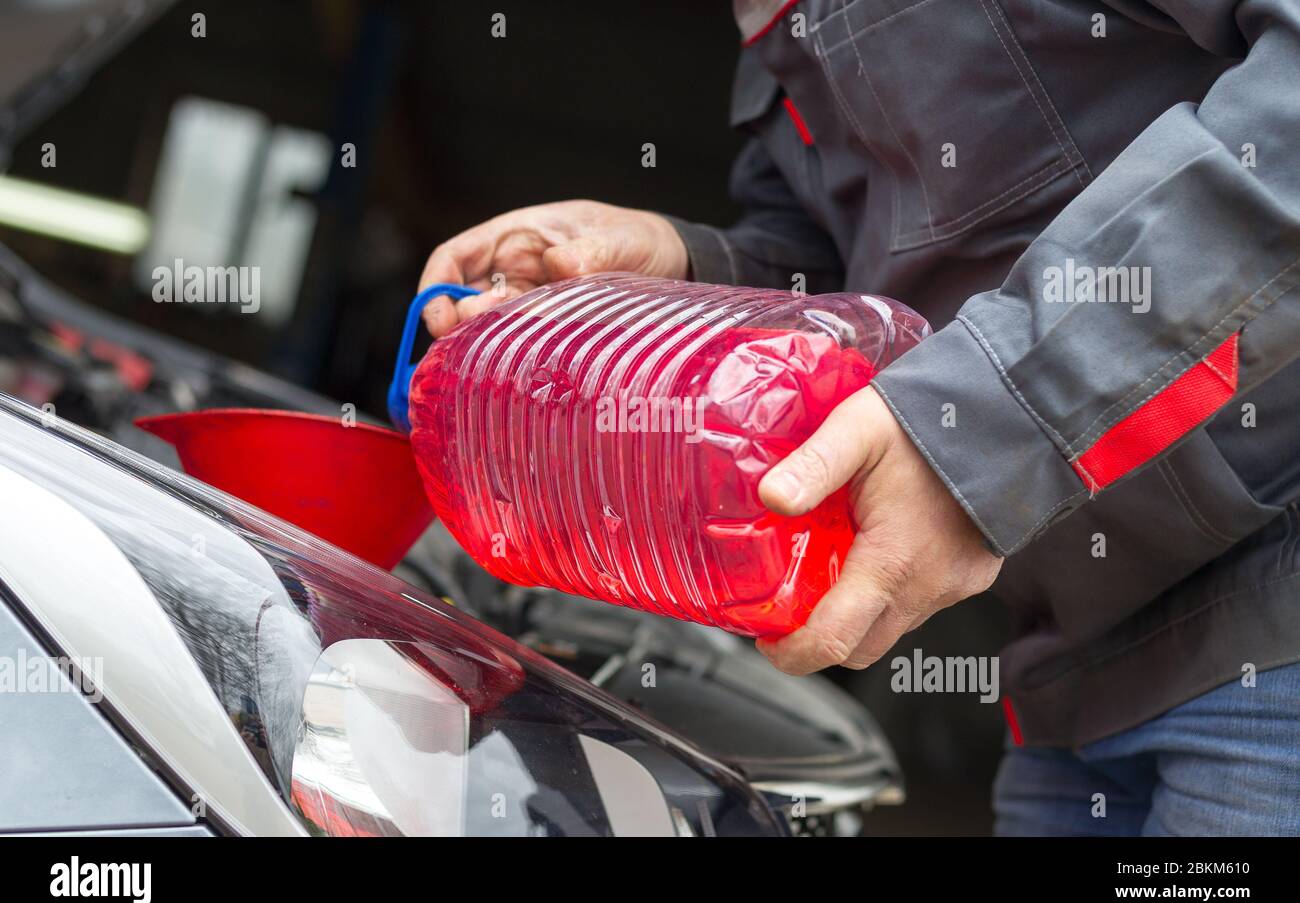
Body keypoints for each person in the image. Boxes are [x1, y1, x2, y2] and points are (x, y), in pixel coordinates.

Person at [418, 0, 1300, 835]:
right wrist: (683, 264)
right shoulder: (766, 27)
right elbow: (866, 279)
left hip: (1268, 622)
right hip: (1063, 669)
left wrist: (999, 419)